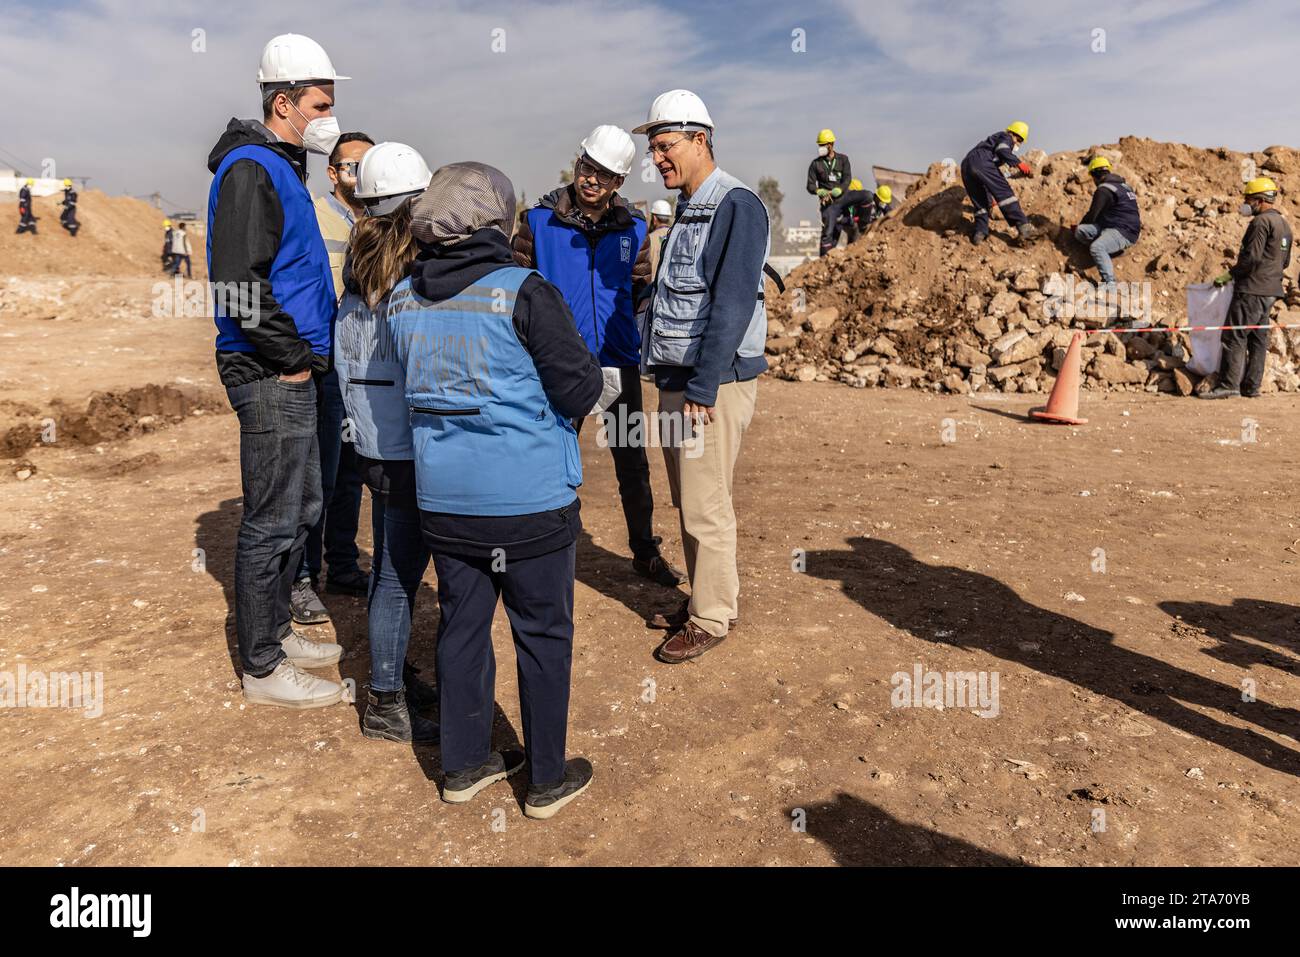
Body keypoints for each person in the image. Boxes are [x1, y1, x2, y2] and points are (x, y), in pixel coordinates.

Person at [390, 161, 601, 818]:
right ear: (496, 221)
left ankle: (463, 764)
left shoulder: (401, 296)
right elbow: (580, 388)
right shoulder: (523, 291)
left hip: (446, 503)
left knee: (461, 625)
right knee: (542, 633)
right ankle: (544, 778)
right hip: (529, 503)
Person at [206, 32, 351, 708]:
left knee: (301, 506)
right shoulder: (249, 168)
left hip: (296, 367)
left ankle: (278, 631)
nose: (330, 117)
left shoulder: (280, 167)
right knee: (271, 517)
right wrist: (292, 359)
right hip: (269, 371)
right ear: (284, 102)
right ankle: (262, 665)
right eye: (321, 104)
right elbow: (237, 283)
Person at [512, 125, 685, 588]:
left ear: (619, 183)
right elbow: (515, 288)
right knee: (552, 457)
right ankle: (544, 553)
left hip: (617, 361)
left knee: (631, 458)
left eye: (605, 176)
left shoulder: (635, 228)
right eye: (588, 168)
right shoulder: (537, 222)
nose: (592, 180)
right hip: (558, 364)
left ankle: (645, 550)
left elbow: (640, 288)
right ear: (578, 162)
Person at [633, 89, 768, 664]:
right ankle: (702, 598)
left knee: (706, 502)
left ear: (700, 140)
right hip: (678, 378)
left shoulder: (736, 204)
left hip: (707, 384)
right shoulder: (690, 205)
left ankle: (711, 615)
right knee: (689, 497)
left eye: (666, 146)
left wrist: (704, 386)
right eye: (654, 148)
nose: (658, 158)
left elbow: (733, 303)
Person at [334, 141, 439, 742]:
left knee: (390, 572)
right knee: (400, 575)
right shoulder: (408, 283)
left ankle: (391, 676)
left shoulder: (357, 275)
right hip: (409, 450)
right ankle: (386, 702)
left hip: (373, 447)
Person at [289, 132, 375, 625]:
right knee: (316, 474)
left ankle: (342, 563)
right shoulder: (313, 217)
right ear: (332, 172)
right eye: (350, 167)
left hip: (365, 370)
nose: (358, 177)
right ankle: (303, 576)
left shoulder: (380, 221)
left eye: (367, 167)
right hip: (325, 365)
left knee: (352, 474)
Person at [1200, 176, 1294, 400]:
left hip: (1252, 289)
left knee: (1235, 335)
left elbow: (1251, 258)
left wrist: (1230, 274)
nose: (1246, 204)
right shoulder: (1284, 224)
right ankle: (1251, 388)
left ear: (1260, 200)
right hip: (1271, 290)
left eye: (1249, 199)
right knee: (1258, 340)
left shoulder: (1260, 222)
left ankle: (1229, 386)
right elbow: (1286, 262)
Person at [961, 121, 1036, 245]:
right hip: (982, 162)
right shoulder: (1005, 137)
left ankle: (980, 232)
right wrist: (1018, 163)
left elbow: (985, 180)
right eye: (1019, 140)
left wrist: (991, 200)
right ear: (1013, 134)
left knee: (980, 202)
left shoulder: (991, 143)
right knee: (1005, 193)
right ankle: (1024, 226)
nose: (1017, 144)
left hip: (966, 166)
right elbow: (1003, 150)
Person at [1072, 156, 1140, 287]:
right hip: (1113, 226)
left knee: (1097, 247)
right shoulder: (1123, 186)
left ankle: (1110, 283)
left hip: (1124, 232)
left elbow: (1092, 215)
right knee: (1080, 231)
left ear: (1095, 175)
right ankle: (1106, 251)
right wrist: (1079, 228)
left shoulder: (1104, 190)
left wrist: (1079, 224)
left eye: (1092, 177)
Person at [806, 129, 851, 256]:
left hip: (842, 202)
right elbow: (810, 185)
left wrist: (840, 189)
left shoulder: (843, 160)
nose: (820, 148)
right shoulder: (816, 164)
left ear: (830, 145)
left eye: (822, 145)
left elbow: (847, 179)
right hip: (827, 205)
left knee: (841, 228)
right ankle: (824, 258)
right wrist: (818, 191)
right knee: (827, 232)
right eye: (819, 145)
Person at [645, 198, 672, 280]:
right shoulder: (677, 235)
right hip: (671, 286)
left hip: (653, 287)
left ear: (655, 218)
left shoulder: (649, 238)